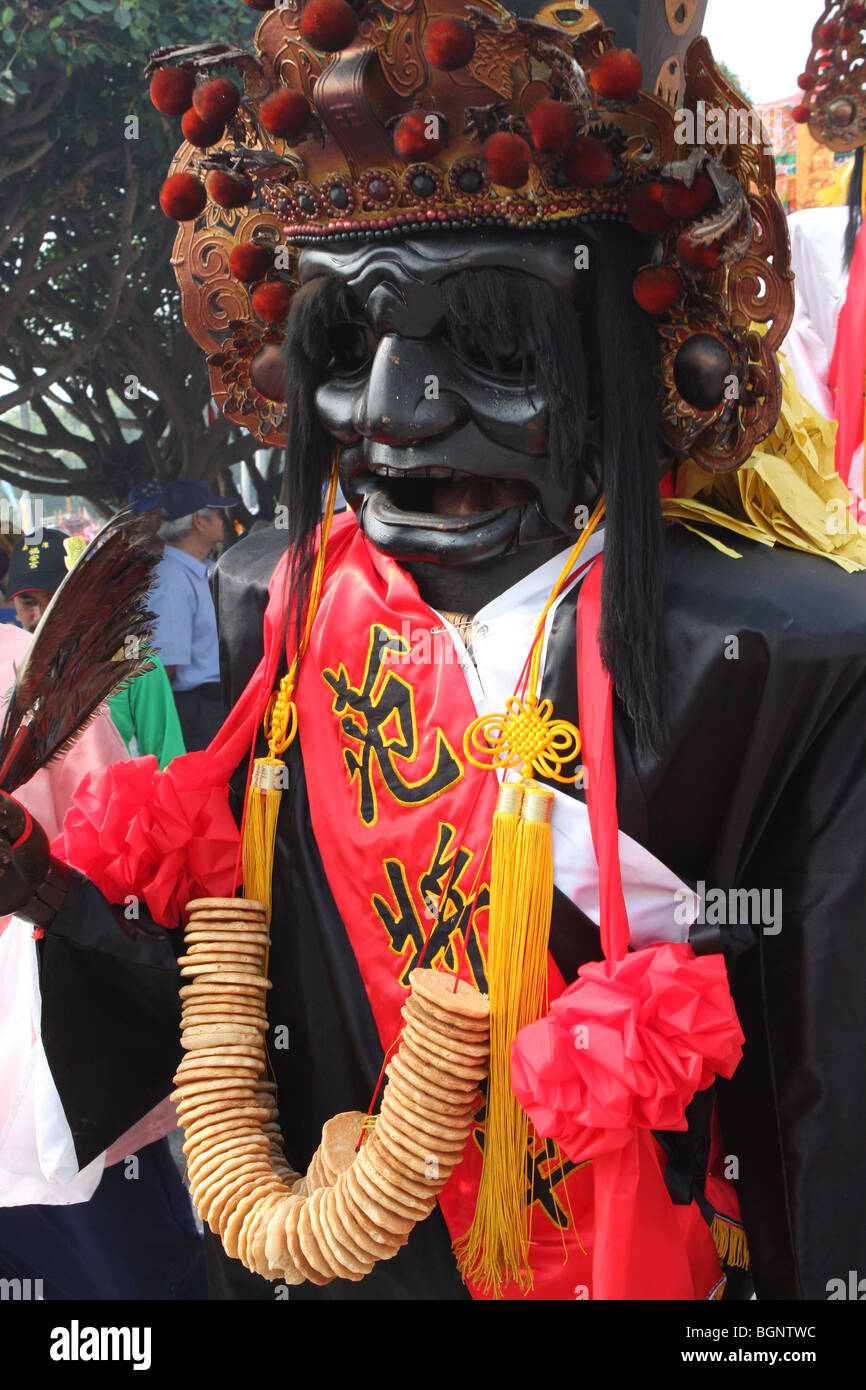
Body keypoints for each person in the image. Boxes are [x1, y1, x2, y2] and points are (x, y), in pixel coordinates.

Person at [1, 0, 866, 1303]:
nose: (394, 416)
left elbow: (824, 1100)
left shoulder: (771, 659)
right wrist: (53, 896)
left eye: (491, 343)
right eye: (347, 345)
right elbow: (242, 997)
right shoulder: (272, 608)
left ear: (625, 355)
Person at [0, 621, 206, 1300]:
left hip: (56, 1089)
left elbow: (122, 842)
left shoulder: (30, 674)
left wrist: (40, 886)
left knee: (124, 1292)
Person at [7, 526, 185, 770]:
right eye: (27, 602)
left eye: (54, 598)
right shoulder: (7, 662)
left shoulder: (131, 660)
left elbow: (169, 762)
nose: (41, 615)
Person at [148, 479, 236, 752]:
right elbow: (166, 665)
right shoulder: (171, 579)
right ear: (199, 520)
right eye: (217, 514)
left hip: (212, 704)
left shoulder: (202, 570)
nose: (222, 520)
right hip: (195, 711)